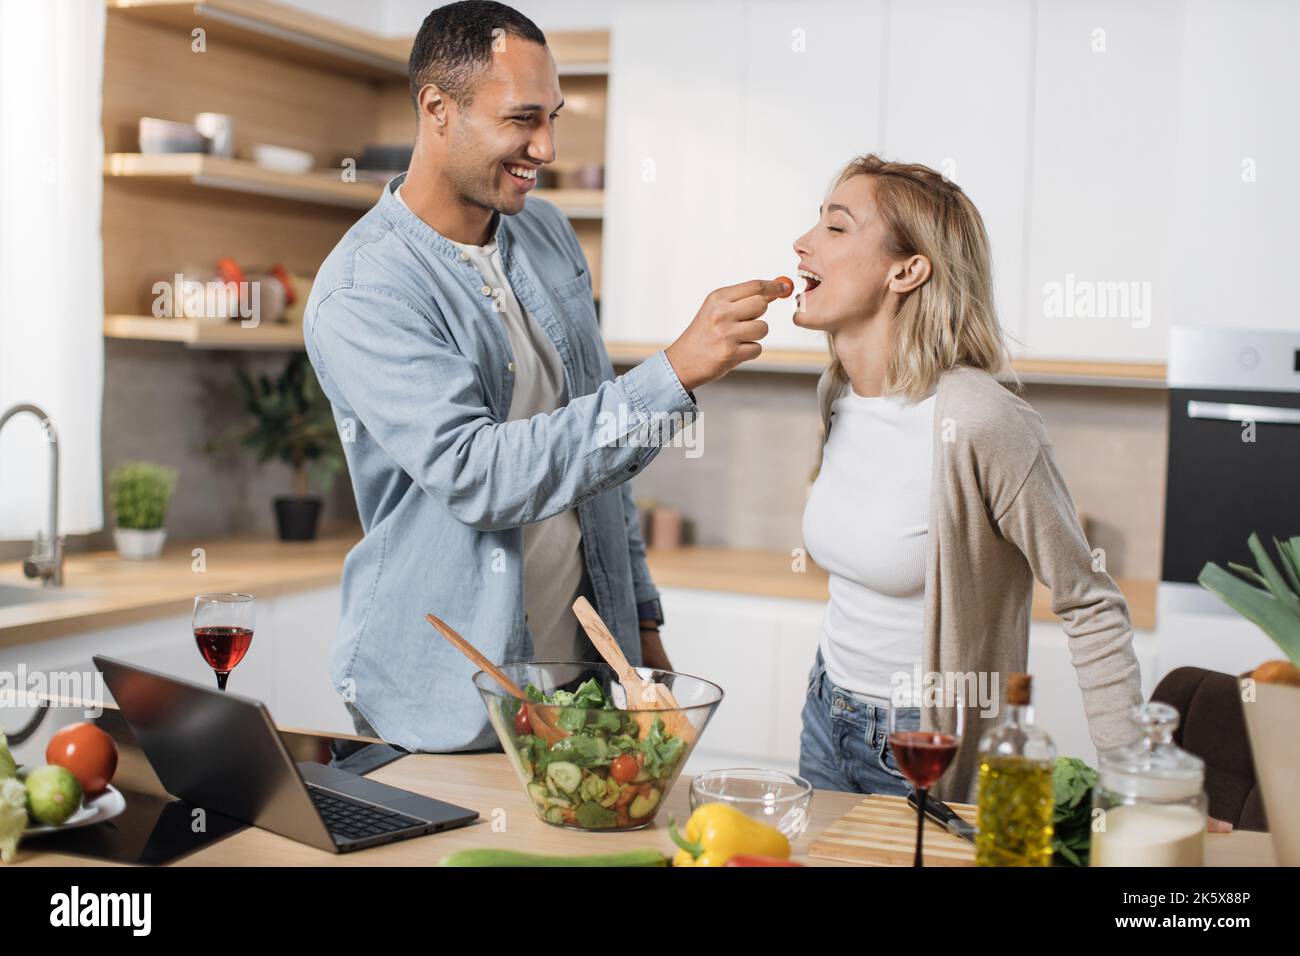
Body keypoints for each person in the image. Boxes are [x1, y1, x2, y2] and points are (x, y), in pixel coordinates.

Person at [303, 1, 777, 751]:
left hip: (585, 676)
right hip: (449, 698)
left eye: (552, 117)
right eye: (523, 119)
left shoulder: (548, 234)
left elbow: (599, 460)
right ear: (437, 109)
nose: (546, 146)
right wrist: (673, 372)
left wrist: (643, 627)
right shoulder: (365, 291)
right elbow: (480, 475)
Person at [792, 154, 1143, 803]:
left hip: (919, 743)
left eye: (836, 228)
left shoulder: (981, 419)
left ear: (908, 269)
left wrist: (1135, 778)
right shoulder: (838, 395)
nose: (804, 243)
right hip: (826, 712)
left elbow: (1088, 601)